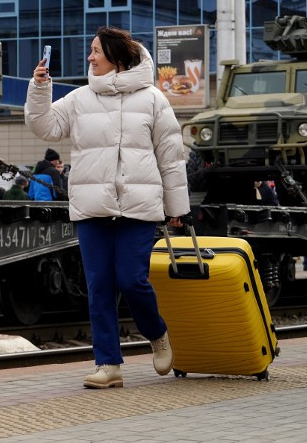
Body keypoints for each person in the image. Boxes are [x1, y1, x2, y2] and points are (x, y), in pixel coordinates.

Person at [26, 25, 187, 389]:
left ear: (116, 56)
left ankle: (157, 334)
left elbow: (171, 157)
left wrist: (177, 206)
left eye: (96, 50)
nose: (90, 57)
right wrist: (39, 89)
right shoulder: (80, 99)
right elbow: (44, 126)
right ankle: (108, 365)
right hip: (92, 207)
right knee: (99, 286)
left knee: (132, 280)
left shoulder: (153, 99)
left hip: (139, 207)